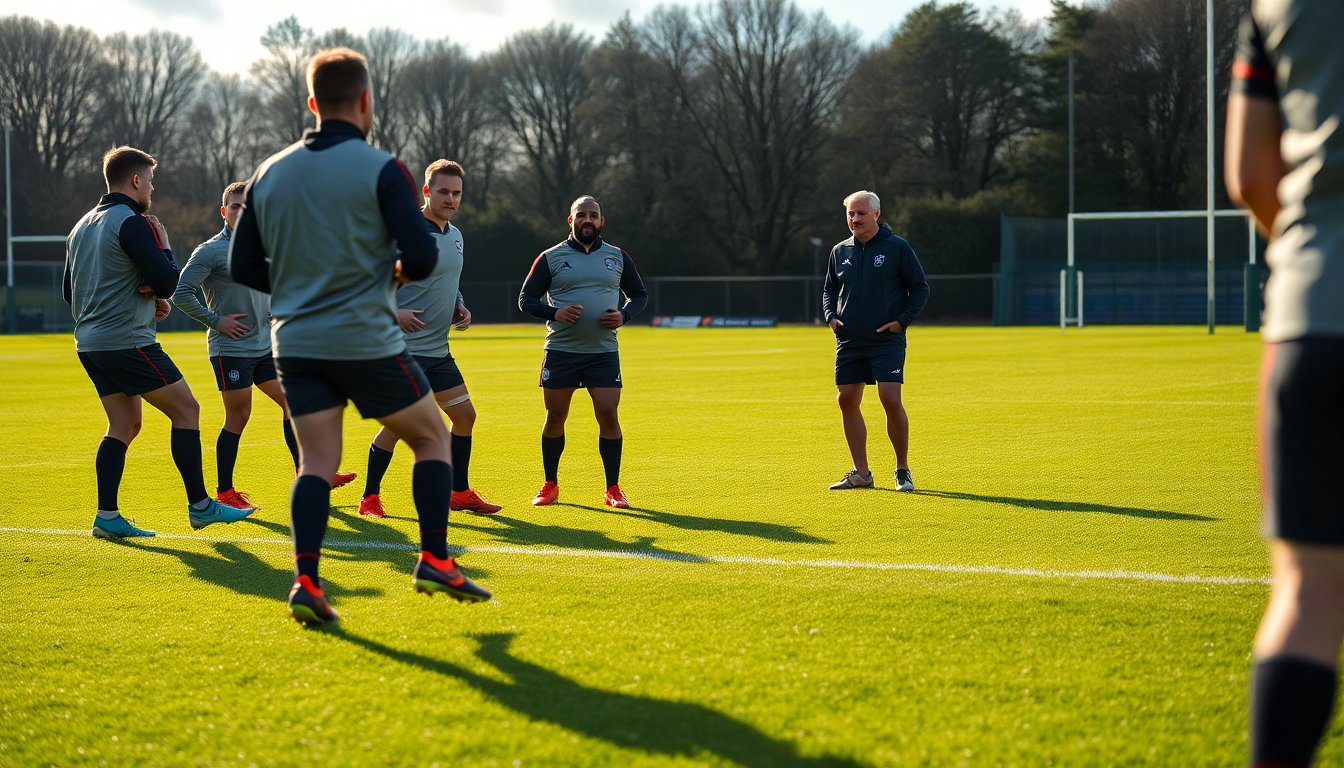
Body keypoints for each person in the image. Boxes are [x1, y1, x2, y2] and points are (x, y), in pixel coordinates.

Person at [229, 48, 490, 626]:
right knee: (432, 437)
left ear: (312, 103)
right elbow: (420, 257)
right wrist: (380, 277)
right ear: (367, 101)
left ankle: (305, 580)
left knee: (317, 461)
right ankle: (435, 558)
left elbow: (243, 265)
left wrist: (302, 285)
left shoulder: (270, 171)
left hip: (295, 339)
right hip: (362, 336)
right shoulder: (383, 168)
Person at [1225, 3, 1344, 765]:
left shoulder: (1276, 6)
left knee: (1306, 594)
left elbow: (1250, 177)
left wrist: (1312, 252)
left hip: (1315, 309)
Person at [64, 146, 254, 539]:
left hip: (89, 344)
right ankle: (201, 506)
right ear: (135, 180)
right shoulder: (135, 222)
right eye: (150, 181)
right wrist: (164, 245)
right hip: (127, 341)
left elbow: (71, 292)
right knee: (187, 410)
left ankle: (107, 516)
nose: (152, 188)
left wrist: (147, 302)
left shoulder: (80, 226)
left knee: (124, 423)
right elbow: (168, 281)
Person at [172, 183, 357, 511]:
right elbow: (181, 293)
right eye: (235, 206)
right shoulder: (210, 251)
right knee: (239, 415)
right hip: (230, 349)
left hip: (265, 347)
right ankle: (225, 491)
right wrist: (217, 321)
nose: (242, 212)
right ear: (223, 211)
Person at [358, 160, 501, 519]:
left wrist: (460, 306)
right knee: (399, 425)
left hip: (438, 351)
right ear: (426, 191)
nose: (451, 199)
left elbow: (448, 281)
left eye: (457, 193)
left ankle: (459, 493)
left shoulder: (456, 235)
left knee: (464, 416)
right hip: (402, 350)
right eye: (444, 192)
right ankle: (370, 498)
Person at [518, 195, 648, 509]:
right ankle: (550, 484)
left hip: (602, 352)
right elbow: (526, 299)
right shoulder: (551, 257)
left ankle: (613, 488)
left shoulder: (617, 256)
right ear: (570, 220)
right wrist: (555, 312)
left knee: (608, 414)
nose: (587, 220)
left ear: (601, 221)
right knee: (555, 416)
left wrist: (624, 315)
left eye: (593, 215)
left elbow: (640, 295)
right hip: (561, 350)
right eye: (581, 215)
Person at [821, 190, 929, 493]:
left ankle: (902, 470)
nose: (855, 219)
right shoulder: (840, 250)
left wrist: (901, 322)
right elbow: (829, 289)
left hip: (886, 340)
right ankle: (861, 474)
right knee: (846, 401)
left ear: (876, 215)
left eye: (861, 213)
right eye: (850, 214)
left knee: (890, 399)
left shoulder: (898, 247)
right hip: (849, 340)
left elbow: (920, 288)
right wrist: (831, 316)